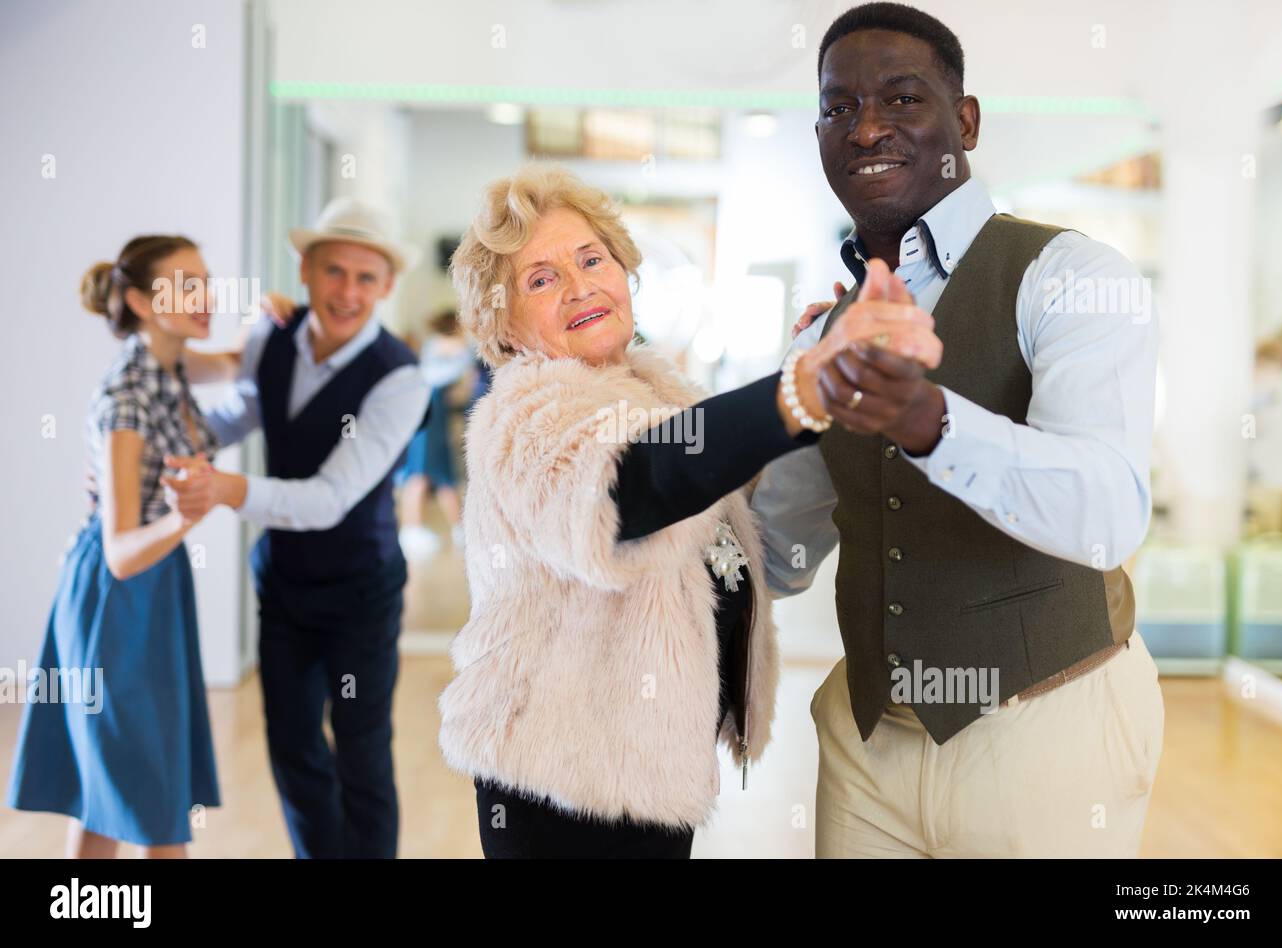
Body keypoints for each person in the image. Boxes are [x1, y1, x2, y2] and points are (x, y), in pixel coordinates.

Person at [753, 2, 1165, 857]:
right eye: (837, 108)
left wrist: (928, 421)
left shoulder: (1070, 275)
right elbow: (778, 556)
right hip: (867, 743)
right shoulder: (817, 337)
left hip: (1050, 734)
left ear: (963, 121)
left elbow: (1108, 513)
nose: (866, 128)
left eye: (903, 99)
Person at [436, 166, 941, 858]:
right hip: (559, 780)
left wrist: (817, 372)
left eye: (592, 259)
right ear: (504, 322)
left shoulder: (651, 390)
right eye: (542, 279)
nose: (581, 285)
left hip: (648, 765)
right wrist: (802, 386)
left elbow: (737, 534)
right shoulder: (525, 414)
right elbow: (631, 489)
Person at [169, 197, 431, 858]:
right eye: (333, 270)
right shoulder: (270, 337)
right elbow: (234, 417)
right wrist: (153, 442)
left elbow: (329, 499)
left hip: (361, 591)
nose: (347, 291)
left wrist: (225, 490)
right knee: (291, 748)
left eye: (365, 277)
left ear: (387, 287)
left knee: (362, 754)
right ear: (305, 270)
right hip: (283, 581)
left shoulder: (401, 381)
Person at [7, 236, 223, 857]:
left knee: (119, 788)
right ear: (140, 300)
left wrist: (279, 318)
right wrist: (188, 514)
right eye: (185, 285)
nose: (205, 296)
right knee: (145, 786)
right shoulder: (126, 398)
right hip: (117, 595)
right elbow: (122, 549)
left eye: (205, 280)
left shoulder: (172, 365)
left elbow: (238, 363)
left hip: (156, 586)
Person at [396, 309, 479, 559]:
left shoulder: (443, 347)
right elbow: (457, 366)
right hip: (426, 415)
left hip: (436, 414)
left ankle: (460, 528)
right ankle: (410, 531)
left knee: (444, 475)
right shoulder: (443, 346)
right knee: (420, 473)